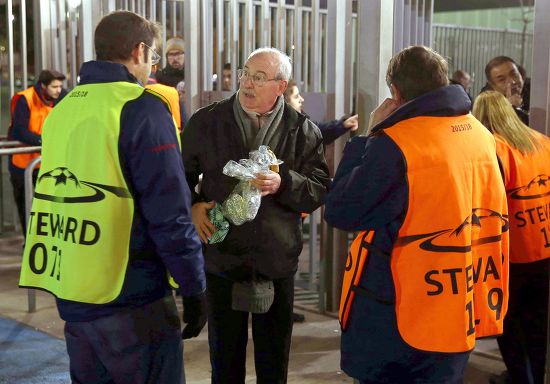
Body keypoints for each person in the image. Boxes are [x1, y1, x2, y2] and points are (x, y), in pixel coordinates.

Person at [19, 11, 206, 384]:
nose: (151, 64)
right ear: (139, 51)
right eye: (152, 56)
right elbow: (169, 212)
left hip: (72, 287)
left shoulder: (64, 108)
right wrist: (194, 285)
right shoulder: (142, 108)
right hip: (131, 291)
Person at [324, 45, 509, 383]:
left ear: (395, 91)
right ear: (442, 81)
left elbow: (341, 211)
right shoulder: (481, 135)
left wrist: (368, 136)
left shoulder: (397, 143)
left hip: (400, 315)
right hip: (461, 300)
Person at [182, 47, 329, 383]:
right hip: (222, 254)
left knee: (273, 360)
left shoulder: (303, 130)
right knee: (224, 357)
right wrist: (191, 205)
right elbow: (180, 177)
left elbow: (320, 188)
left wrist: (283, 182)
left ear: (281, 86)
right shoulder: (207, 121)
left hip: (275, 258)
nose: (247, 83)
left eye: (259, 78)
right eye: (246, 73)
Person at [473, 91, 550, 384]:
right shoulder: (543, 142)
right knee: (538, 325)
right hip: (544, 249)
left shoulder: (493, 149)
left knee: (508, 324)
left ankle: (520, 379)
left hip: (510, 257)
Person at [8, 69, 67, 235]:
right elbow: (19, 131)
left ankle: (47, 239)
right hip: (22, 162)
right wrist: (45, 141)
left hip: (46, 162)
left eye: (60, 86)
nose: (59, 90)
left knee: (50, 205)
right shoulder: (25, 99)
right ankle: (29, 242)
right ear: (43, 86)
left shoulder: (62, 96)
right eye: (54, 87)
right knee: (25, 206)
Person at [284, 79, 358, 145]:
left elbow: (318, 132)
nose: (302, 99)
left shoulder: (300, 122)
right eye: (296, 97)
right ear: (285, 102)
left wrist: (343, 124)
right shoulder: (282, 130)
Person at [483, 56, 528, 125]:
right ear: (492, 85)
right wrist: (511, 108)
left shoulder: (536, 90)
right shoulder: (485, 102)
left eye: (514, 74)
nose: (512, 81)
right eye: (502, 79)